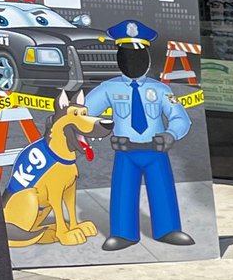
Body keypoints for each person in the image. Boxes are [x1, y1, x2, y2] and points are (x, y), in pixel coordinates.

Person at [82, 20, 196, 252]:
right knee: (123, 191)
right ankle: (123, 233)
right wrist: (99, 130)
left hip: (156, 150)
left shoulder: (161, 89)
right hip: (126, 151)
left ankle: (169, 229)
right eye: (126, 55)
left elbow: (180, 118)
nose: (132, 61)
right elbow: (84, 114)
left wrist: (171, 135)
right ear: (119, 58)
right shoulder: (109, 88)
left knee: (162, 189)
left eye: (138, 55)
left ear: (147, 57)